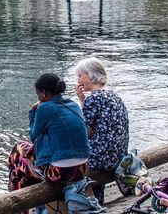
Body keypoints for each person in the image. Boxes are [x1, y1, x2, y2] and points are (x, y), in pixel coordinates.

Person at [8, 73, 91, 192]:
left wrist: (32, 112)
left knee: (18, 152)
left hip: (60, 172)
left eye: (38, 94)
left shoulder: (44, 108)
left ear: (43, 93)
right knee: (27, 157)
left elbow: (33, 136)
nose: (38, 98)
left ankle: (15, 198)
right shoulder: (74, 105)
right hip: (82, 169)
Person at [74, 57, 129, 201]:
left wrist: (82, 103)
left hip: (102, 158)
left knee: (70, 161)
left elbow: (85, 132)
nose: (78, 80)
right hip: (117, 155)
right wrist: (82, 100)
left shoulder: (94, 99)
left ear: (90, 76)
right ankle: (97, 199)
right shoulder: (113, 95)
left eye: (80, 76)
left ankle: (89, 203)